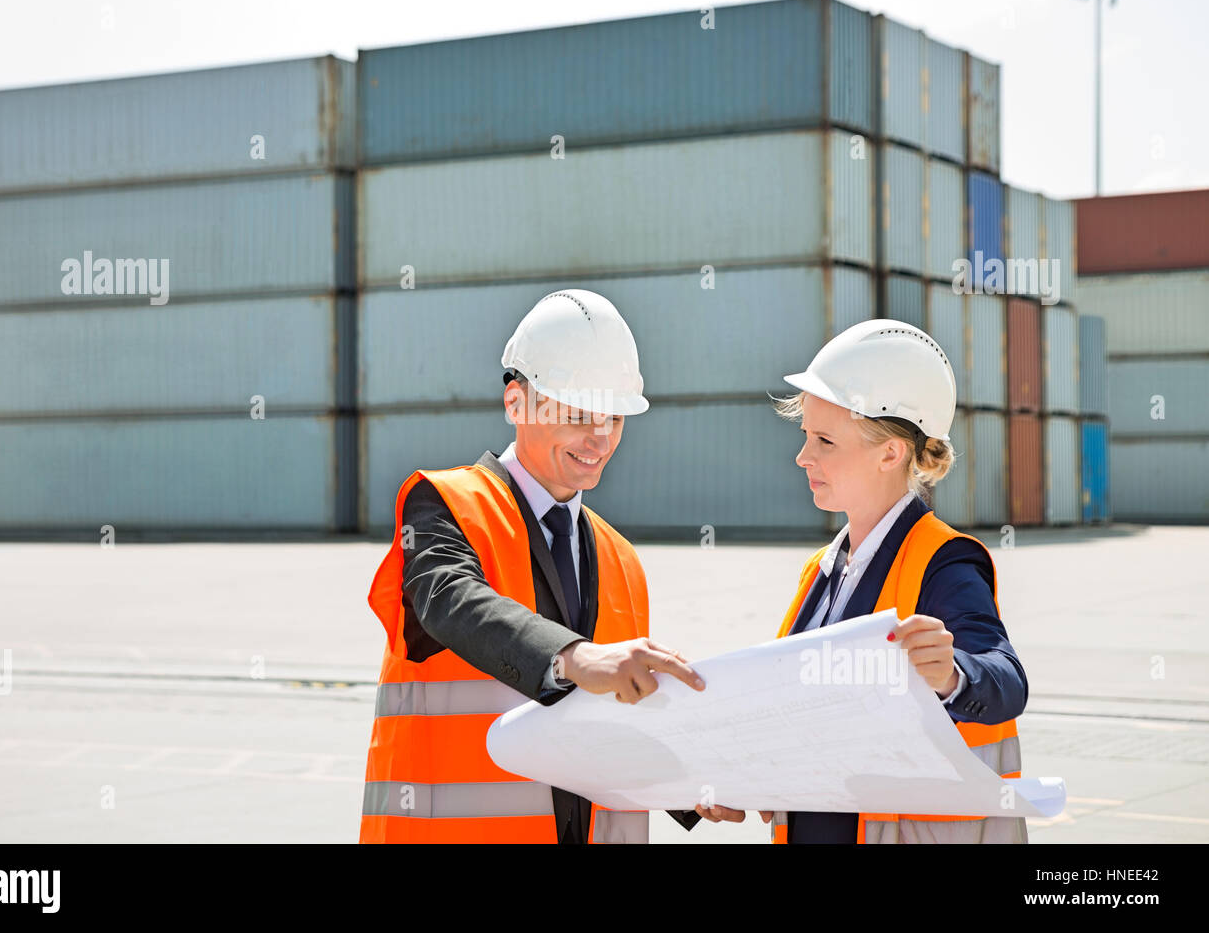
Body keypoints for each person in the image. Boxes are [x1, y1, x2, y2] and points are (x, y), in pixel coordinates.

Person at [360, 288, 706, 843]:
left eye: (614, 417)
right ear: (516, 402)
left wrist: (693, 787)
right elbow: (451, 600)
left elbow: (620, 709)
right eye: (577, 415)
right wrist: (575, 657)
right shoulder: (442, 505)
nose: (600, 437)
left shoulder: (620, 558)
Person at [694, 319, 1029, 843]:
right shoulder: (823, 571)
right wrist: (744, 777)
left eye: (825, 440)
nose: (803, 457)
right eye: (807, 436)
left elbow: (1005, 680)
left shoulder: (944, 562)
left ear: (891, 453)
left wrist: (953, 673)